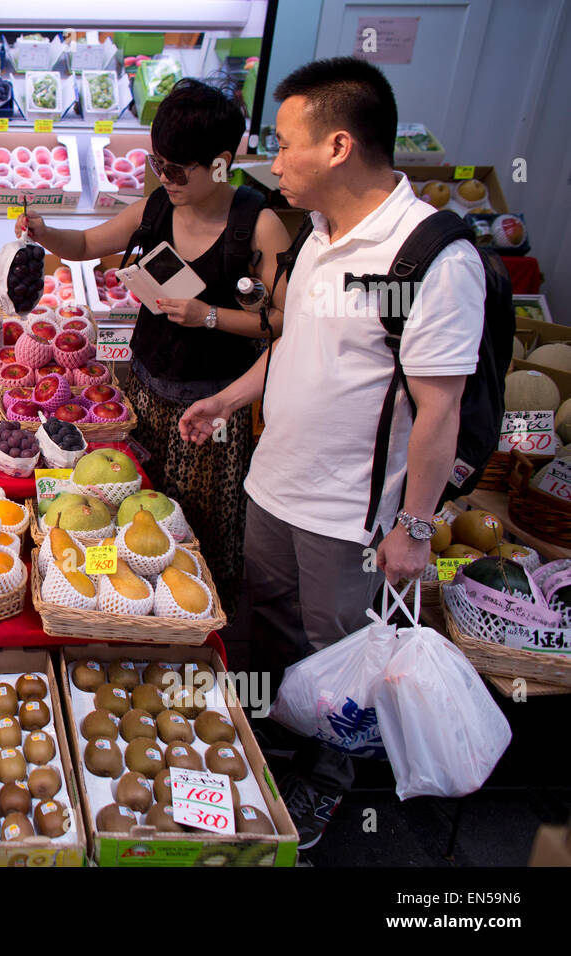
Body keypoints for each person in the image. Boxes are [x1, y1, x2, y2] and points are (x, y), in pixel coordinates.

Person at [179, 57, 486, 850]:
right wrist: (228, 398)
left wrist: (414, 528)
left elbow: (439, 405)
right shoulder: (318, 238)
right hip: (275, 486)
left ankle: (329, 787)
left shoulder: (428, 259)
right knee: (271, 633)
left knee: (339, 660)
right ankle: (269, 752)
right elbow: (295, 351)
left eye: (284, 144)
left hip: (349, 516)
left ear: (340, 146)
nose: (271, 162)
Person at [17, 79, 291, 616]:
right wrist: (45, 231)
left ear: (220, 163)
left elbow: (283, 323)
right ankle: (120, 612)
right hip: (142, 394)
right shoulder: (156, 207)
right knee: (128, 518)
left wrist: (208, 315)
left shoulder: (259, 227)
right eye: (157, 162)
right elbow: (87, 244)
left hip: (211, 408)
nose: (165, 178)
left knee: (192, 532)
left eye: (178, 169)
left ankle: (193, 630)